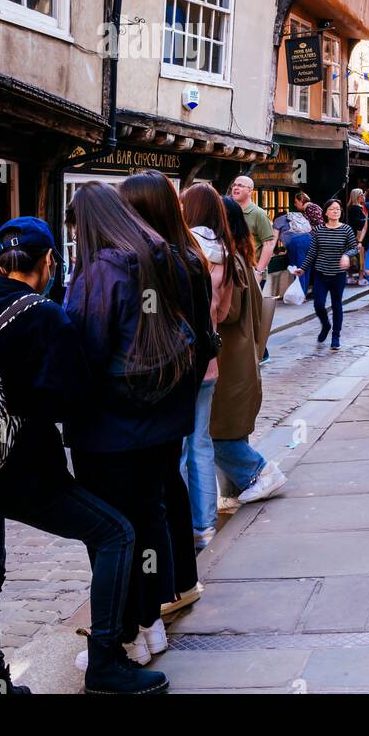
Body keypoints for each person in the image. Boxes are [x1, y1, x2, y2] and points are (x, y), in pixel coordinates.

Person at [0, 216, 167, 696]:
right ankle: (105, 661)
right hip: (22, 473)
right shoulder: (46, 316)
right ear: (47, 262)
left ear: (0, 260)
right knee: (116, 534)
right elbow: (72, 399)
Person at [65, 184, 199, 670]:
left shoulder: (102, 272)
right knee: (148, 519)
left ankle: (121, 636)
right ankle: (149, 623)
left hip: (111, 428)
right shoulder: (162, 257)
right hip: (159, 420)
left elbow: (87, 351)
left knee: (111, 532)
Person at [118, 171, 216, 617]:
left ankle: (167, 588)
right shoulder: (187, 255)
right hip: (182, 384)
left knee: (158, 490)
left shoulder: (165, 260)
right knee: (168, 483)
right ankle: (183, 579)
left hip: (167, 387)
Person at [211, 197, 287, 505]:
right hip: (240, 357)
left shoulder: (229, 260)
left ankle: (260, 472)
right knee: (229, 429)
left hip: (231, 358)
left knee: (216, 434)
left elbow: (228, 313)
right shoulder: (239, 255)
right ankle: (236, 488)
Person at [179, 181, 236, 547]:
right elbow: (226, 311)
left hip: (177, 361)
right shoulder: (225, 256)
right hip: (208, 360)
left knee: (175, 447)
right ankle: (204, 524)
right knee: (200, 443)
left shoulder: (179, 249)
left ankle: (180, 522)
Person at [294, 199, 360, 350]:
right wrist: (303, 268)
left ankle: (336, 336)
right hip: (321, 273)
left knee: (337, 305)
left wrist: (346, 255)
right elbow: (312, 252)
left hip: (338, 274)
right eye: (332, 209)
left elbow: (354, 248)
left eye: (338, 209)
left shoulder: (346, 230)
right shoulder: (318, 230)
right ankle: (325, 325)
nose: (336, 211)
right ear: (326, 212)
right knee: (318, 304)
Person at [229, 175, 276, 282]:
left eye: (240, 185)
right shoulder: (229, 212)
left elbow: (269, 245)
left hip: (252, 272)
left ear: (250, 191)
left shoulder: (259, 214)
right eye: (234, 185)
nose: (235, 188)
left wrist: (259, 272)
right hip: (233, 272)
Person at [346, 188, 369, 284]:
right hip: (358, 235)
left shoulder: (352, 207)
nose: (363, 196)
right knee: (361, 256)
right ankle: (361, 278)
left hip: (353, 235)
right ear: (357, 196)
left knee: (353, 256)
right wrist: (368, 220)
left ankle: (350, 277)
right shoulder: (356, 208)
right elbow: (358, 223)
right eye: (361, 195)